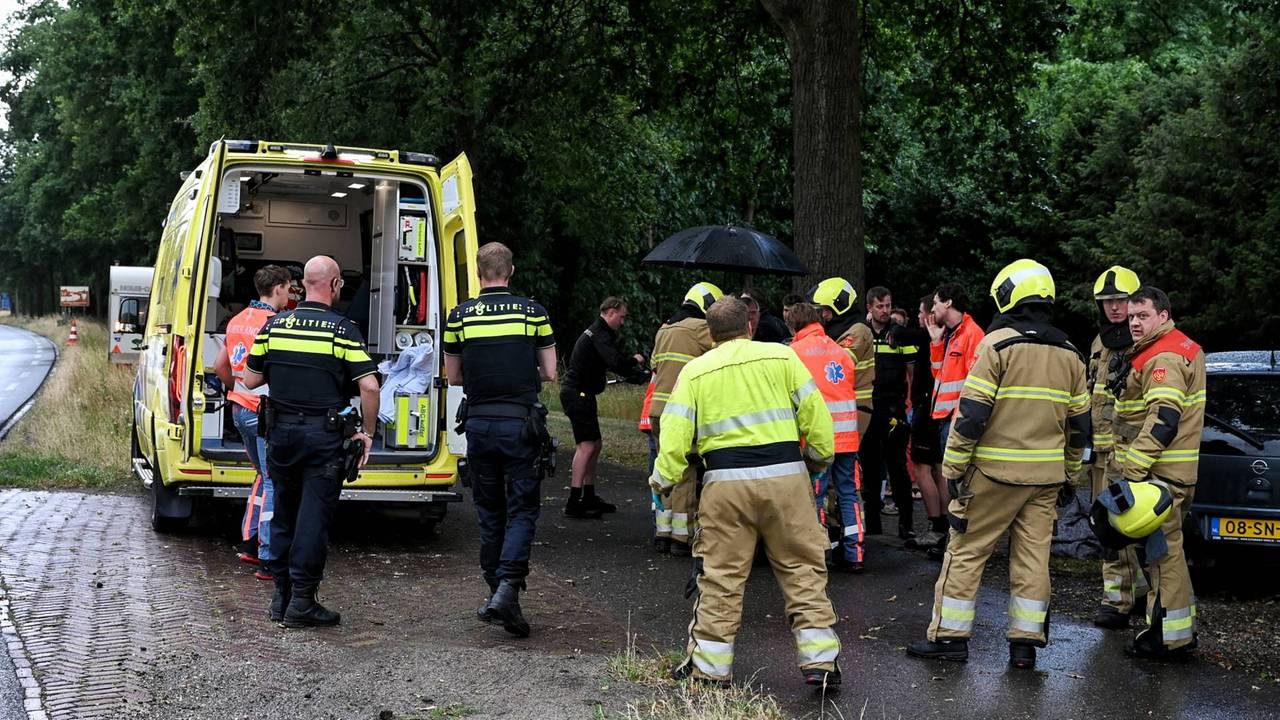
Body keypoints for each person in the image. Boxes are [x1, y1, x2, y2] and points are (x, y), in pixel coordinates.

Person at [907, 259, 1088, 670]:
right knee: (1032, 559)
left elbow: (970, 415)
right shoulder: (1071, 353)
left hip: (991, 476)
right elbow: (1080, 427)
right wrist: (1071, 474)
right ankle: (1024, 647)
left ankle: (950, 637)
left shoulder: (997, 345)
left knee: (966, 551)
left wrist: (952, 469)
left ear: (1008, 295)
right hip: (1045, 479)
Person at [651, 296, 841, 687]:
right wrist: (819, 459)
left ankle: (710, 668)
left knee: (721, 576)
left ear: (711, 334)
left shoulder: (695, 371)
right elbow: (816, 416)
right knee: (803, 570)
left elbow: (674, 434)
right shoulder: (783, 358)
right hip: (787, 478)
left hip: (725, 484)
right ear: (749, 326)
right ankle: (821, 663)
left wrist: (663, 480)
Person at [244, 256, 380, 629]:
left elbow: (250, 380)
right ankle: (302, 602)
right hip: (323, 437)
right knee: (313, 519)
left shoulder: (275, 326)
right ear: (335, 285)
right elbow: (368, 385)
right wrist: (367, 433)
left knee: (284, 513)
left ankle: (280, 598)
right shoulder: (342, 330)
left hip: (281, 436)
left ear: (302, 285)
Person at [443, 242, 557, 639]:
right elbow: (550, 372)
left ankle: (499, 593)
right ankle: (508, 586)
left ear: (479, 272)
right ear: (512, 271)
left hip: (478, 424)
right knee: (522, 509)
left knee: (489, 511)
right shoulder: (533, 313)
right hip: (521, 425)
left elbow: (453, 377)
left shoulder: (459, 317)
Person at [1110, 286, 1205, 659]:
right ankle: (1177, 632)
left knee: (1162, 556)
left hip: (1160, 474)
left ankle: (1168, 639)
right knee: (1170, 555)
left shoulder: (1163, 355)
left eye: (1142, 316)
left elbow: (1164, 418)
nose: (1134, 323)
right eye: (1132, 317)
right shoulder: (1183, 347)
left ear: (1162, 316)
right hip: (1175, 471)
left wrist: (1134, 467)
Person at [213, 264, 291, 578]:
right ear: (279, 288)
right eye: (289, 288)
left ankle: (250, 541)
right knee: (273, 480)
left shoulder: (237, 321)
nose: (291, 294)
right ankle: (268, 557)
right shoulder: (275, 323)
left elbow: (220, 366)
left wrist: (238, 390)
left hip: (239, 410)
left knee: (261, 474)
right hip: (264, 412)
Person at [1086, 266, 1151, 630]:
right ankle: (1117, 600)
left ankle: (1137, 596)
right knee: (1107, 529)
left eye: (1121, 301)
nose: (1114, 308)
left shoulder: (1145, 343)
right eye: (1107, 301)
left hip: (1134, 455)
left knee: (1137, 529)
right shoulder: (1099, 342)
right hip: (1102, 454)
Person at [788, 301, 864, 571]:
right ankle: (855, 552)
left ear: (795, 325)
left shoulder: (794, 353)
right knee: (848, 493)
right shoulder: (840, 350)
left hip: (819, 437)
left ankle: (820, 553)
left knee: (816, 495)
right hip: (848, 436)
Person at [649, 282, 721, 555]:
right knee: (686, 470)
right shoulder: (702, 329)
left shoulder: (664, 330)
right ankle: (682, 537)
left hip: (658, 411)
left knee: (665, 468)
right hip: (684, 412)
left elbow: (655, 367)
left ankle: (663, 532)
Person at [560, 296, 649, 518]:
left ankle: (588, 496)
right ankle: (574, 501)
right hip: (577, 394)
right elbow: (615, 362)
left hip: (582, 394)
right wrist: (635, 362)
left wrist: (635, 376)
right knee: (587, 446)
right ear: (610, 312)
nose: (622, 321)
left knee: (595, 445)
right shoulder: (600, 334)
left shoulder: (599, 333)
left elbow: (606, 364)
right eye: (621, 317)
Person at [860, 286, 915, 540]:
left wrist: (910, 405)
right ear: (869, 307)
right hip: (870, 409)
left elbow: (913, 371)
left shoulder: (899, 334)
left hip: (895, 408)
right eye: (880, 306)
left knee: (898, 469)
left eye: (888, 305)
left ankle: (907, 524)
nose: (885, 311)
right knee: (870, 471)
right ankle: (873, 527)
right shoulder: (861, 334)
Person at [896, 295, 947, 554]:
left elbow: (905, 335)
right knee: (941, 469)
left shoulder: (929, 337)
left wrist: (893, 328)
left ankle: (937, 528)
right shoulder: (951, 335)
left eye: (921, 312)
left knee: (922, 468)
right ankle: (947, 527)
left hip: (926, 408)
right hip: (942, 409)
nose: (917, 317)